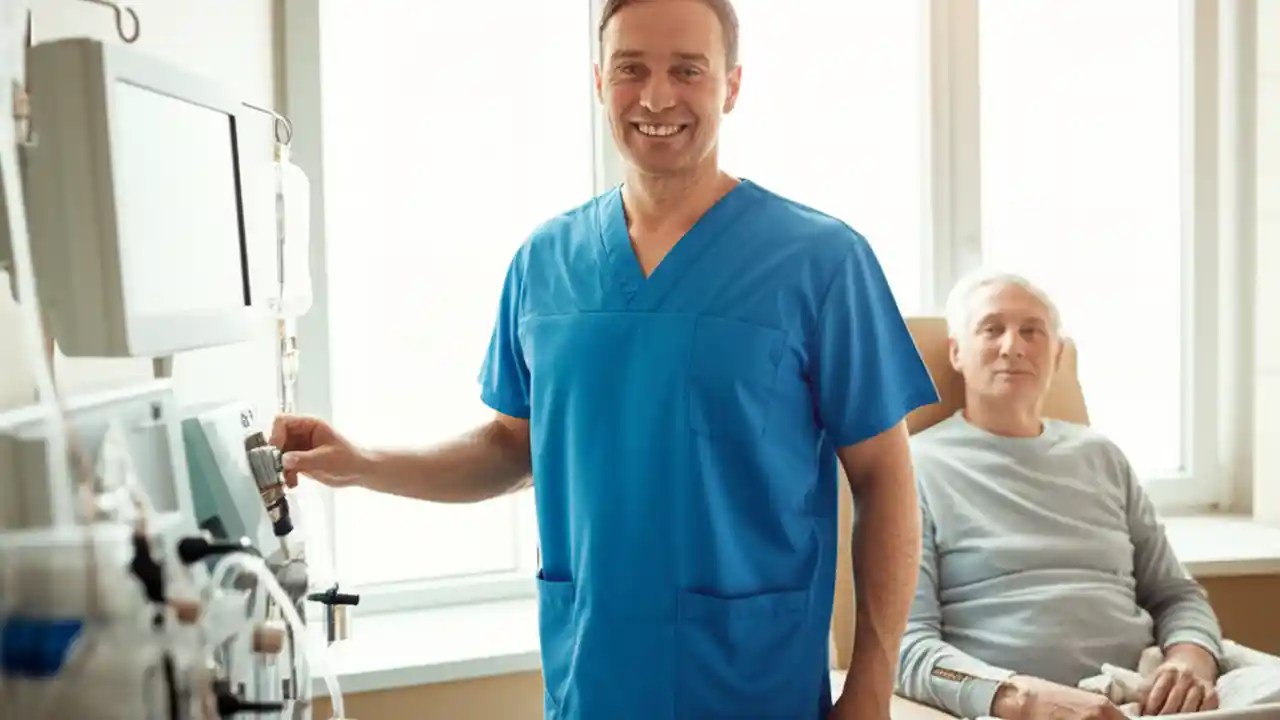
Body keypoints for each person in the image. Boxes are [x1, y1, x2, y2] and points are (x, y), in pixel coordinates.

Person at [272, 0, 937, 717]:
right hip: (594, 686)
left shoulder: (821, 261)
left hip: (754, 684)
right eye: (631, 70)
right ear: (598, 82)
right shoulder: (543, 261)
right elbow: (511, 447)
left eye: (687, 70)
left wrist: (870, 687)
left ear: (731, 86)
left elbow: (884, 477)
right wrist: (364, 462)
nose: (656, 98)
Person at [897, 270, 1225, 720]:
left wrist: (1190, 660)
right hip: (1015, 701)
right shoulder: (917, 466)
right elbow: (905, 646)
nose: (1012, 345)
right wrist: (1018, 697)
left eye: (1032, 331)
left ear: (1057, 354)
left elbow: (1176, 595)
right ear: (956, 351)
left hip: (1146, 693)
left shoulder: (1102, 455)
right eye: (991, 329)